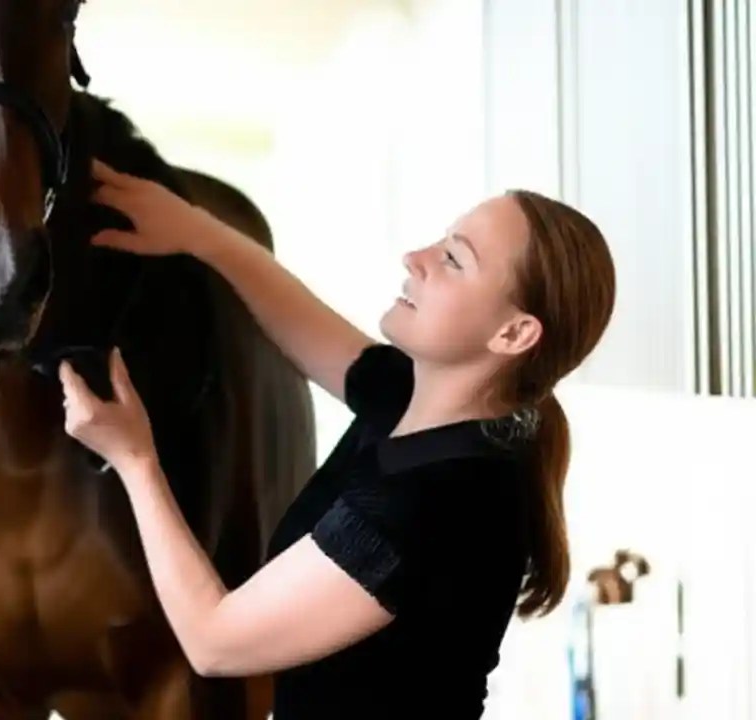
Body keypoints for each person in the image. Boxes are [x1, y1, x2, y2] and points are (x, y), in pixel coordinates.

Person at [58, 159, 616, 718]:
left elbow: (214, 641)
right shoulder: (417, 403)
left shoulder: (431, 502)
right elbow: (302, 325)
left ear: (513, 333)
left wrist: (134, 459)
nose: (415, 258)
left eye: (453, 260)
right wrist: (200, 233)